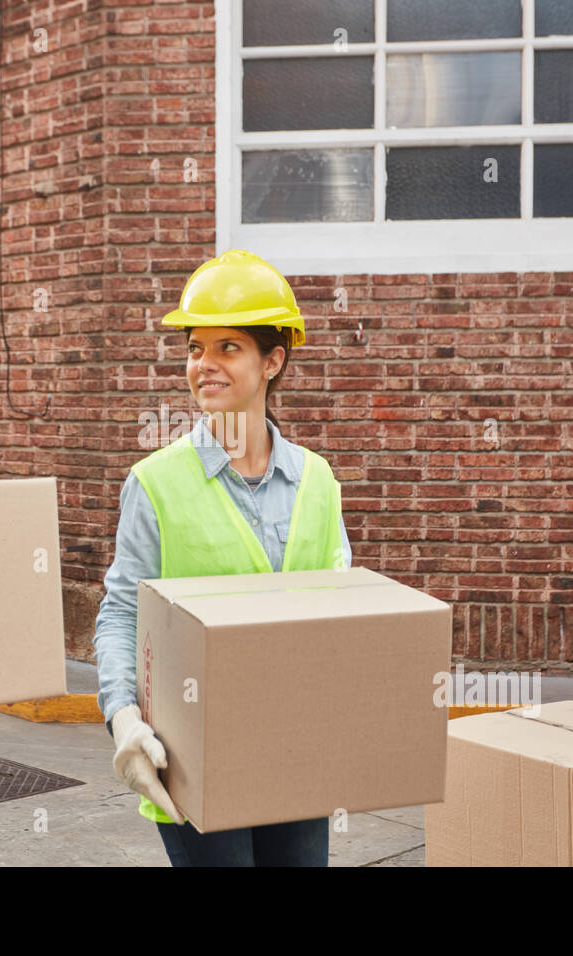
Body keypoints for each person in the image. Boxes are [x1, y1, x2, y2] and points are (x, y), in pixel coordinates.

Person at [92, 249, 352, 867]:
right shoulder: (155, 483)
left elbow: (345, 619)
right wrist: (124, 719)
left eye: (228, 347)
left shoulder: (318, 482)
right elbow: (121, 613)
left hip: (296, 751)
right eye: (193, 348)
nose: (203, 365)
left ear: (273, 361)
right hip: (193, 753)